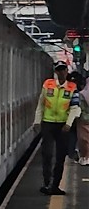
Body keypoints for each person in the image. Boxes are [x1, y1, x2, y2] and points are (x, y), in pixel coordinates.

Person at [36, 60, 78, 195]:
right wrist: (37, 121)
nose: (61, 72)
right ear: (56, 71)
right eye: (59, 70)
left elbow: (75, 108)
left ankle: (55, 186)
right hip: (48, 123)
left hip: (62, 126)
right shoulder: (47, 85)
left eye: (63, 69)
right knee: (47, 154)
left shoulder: (72, 88)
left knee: (60, 156)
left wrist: (68, 124)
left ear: (67, 71)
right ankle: (46, 182)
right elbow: (41, 104)